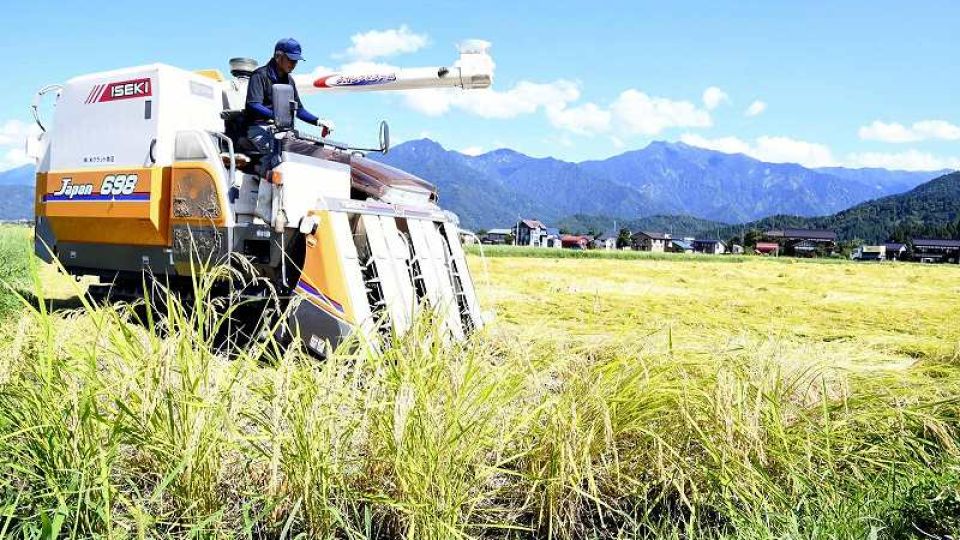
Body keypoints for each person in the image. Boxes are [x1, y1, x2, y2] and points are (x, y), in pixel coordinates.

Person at [245, 38, 332, 175]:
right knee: (278, 152)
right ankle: (264, 185)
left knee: (307, 151)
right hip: (259, 127)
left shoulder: (290, 81)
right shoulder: (259, 75)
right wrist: (276, 116)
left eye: (296, 61)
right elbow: (253, 104)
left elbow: (299, 109)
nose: (294, 64)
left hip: (282, 129)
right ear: (278, 56)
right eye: (291, 59)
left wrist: (318, 121)